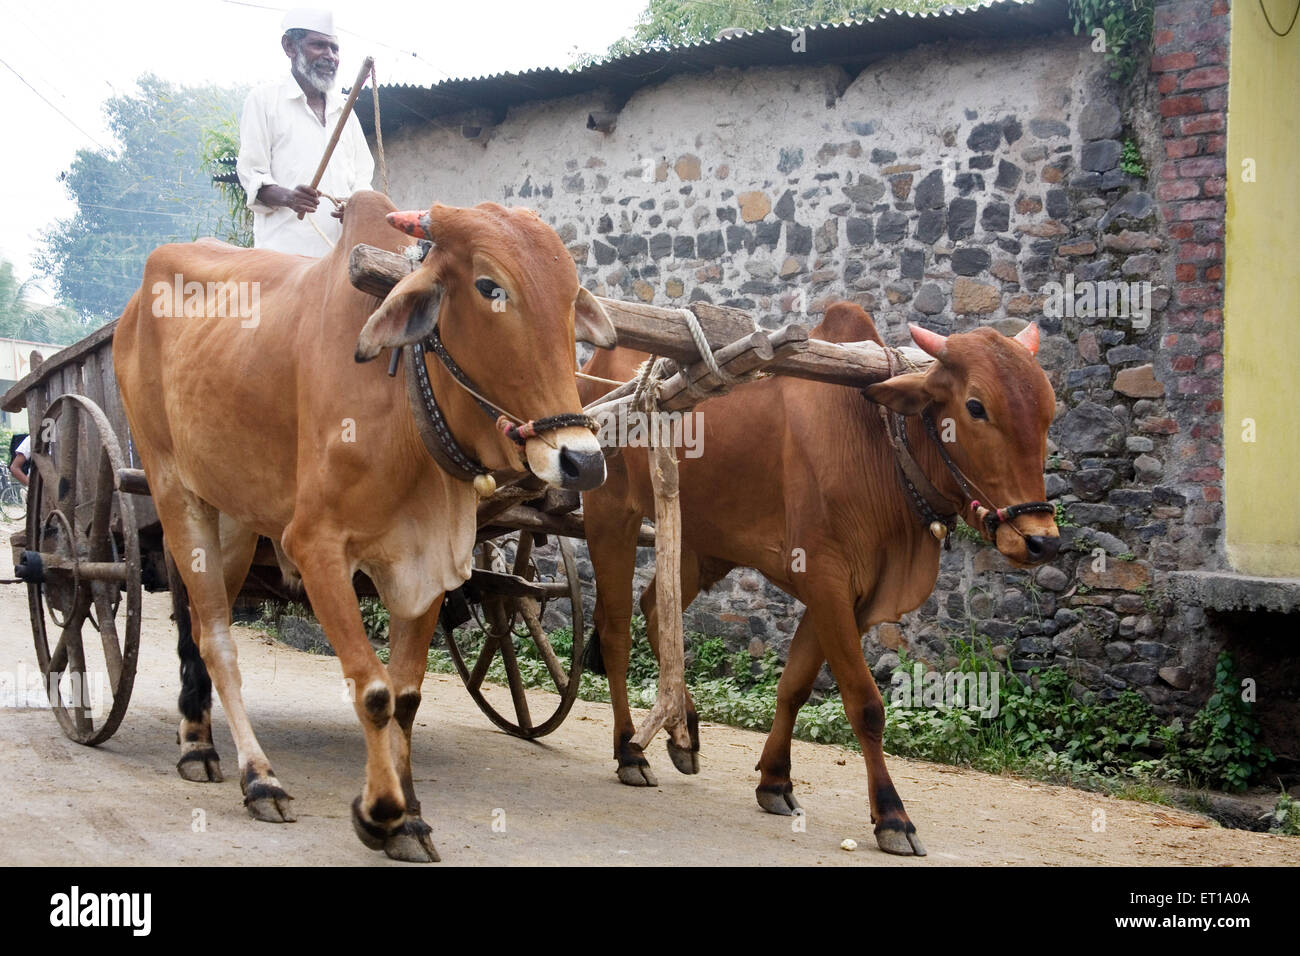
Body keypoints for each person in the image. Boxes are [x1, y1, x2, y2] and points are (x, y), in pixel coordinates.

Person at [236, 8, 375, 256]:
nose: (330, 56)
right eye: (319, 46)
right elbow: (252, 174)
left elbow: (363, 177)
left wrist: (354, 206)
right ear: (290, 47)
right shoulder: (264, 100)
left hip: (339, 260)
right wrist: (289, 197)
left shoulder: (345, 110)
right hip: (282, 258)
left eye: (335, 48)